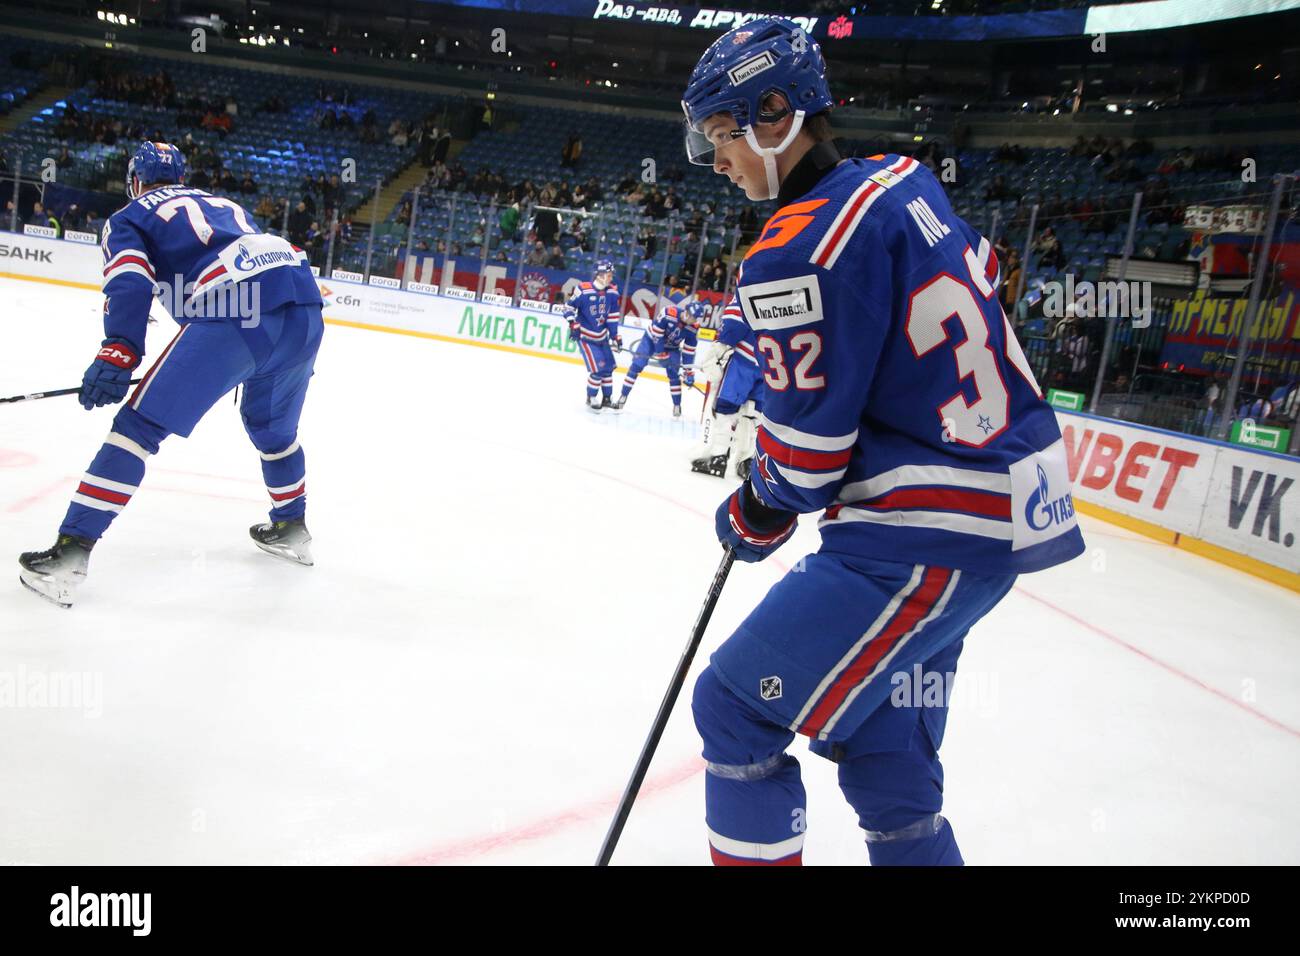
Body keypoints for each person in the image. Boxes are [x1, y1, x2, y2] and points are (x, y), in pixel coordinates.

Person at [680, 18, 1085, 866]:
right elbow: (981, 270)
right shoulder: (904, 180)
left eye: (723, 134)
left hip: (922, 529)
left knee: (733, 707)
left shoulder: (791, 247)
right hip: (1002, 510)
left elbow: (807, 459)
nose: (717, 159)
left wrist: (757, 504)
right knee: (886, 762)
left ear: (778, 112)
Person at [17, 142, 325, 608]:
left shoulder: (128, 217)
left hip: (235, 312)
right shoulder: (225, 205)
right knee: (273, 431)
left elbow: (131, 281)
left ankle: (69, 554)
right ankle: (291, 527)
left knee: (136, 429)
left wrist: (119, 349)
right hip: (303, 306)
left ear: (135, 181)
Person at [691, 294, 763, 479]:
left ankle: (719, 457)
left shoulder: (753, 281)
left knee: (726, 410)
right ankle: (748, 462)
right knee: (756, 414)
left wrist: (717, 350)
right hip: (770, 365)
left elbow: (735, 321)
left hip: (743, 363)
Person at [614, 299, 704, 417]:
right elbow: (657, 335)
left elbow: (689, 351)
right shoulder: (668, 312)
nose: (694, 320)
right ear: (687, 312)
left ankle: (677, 406)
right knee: (637, 365)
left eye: (696, 318)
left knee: (674, 374)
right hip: (651, 340)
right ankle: (623, 396)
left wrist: (688, 371)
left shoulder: (693, 328)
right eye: (693, 317)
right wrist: (661, 353)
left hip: (672, 347)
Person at [564, 258, 622, 412]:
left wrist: (615, 335)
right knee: (598, 369)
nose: (611, 277)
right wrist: (572, 322)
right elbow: (568, 307)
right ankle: (591, 397)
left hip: (602, 338)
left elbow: (613, 317)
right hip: (586, 338)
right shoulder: (583, 290)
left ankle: (607, 398)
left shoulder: (613, 292)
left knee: (608, 368)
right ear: (599, 274)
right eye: (608, 274)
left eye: (611, 274)